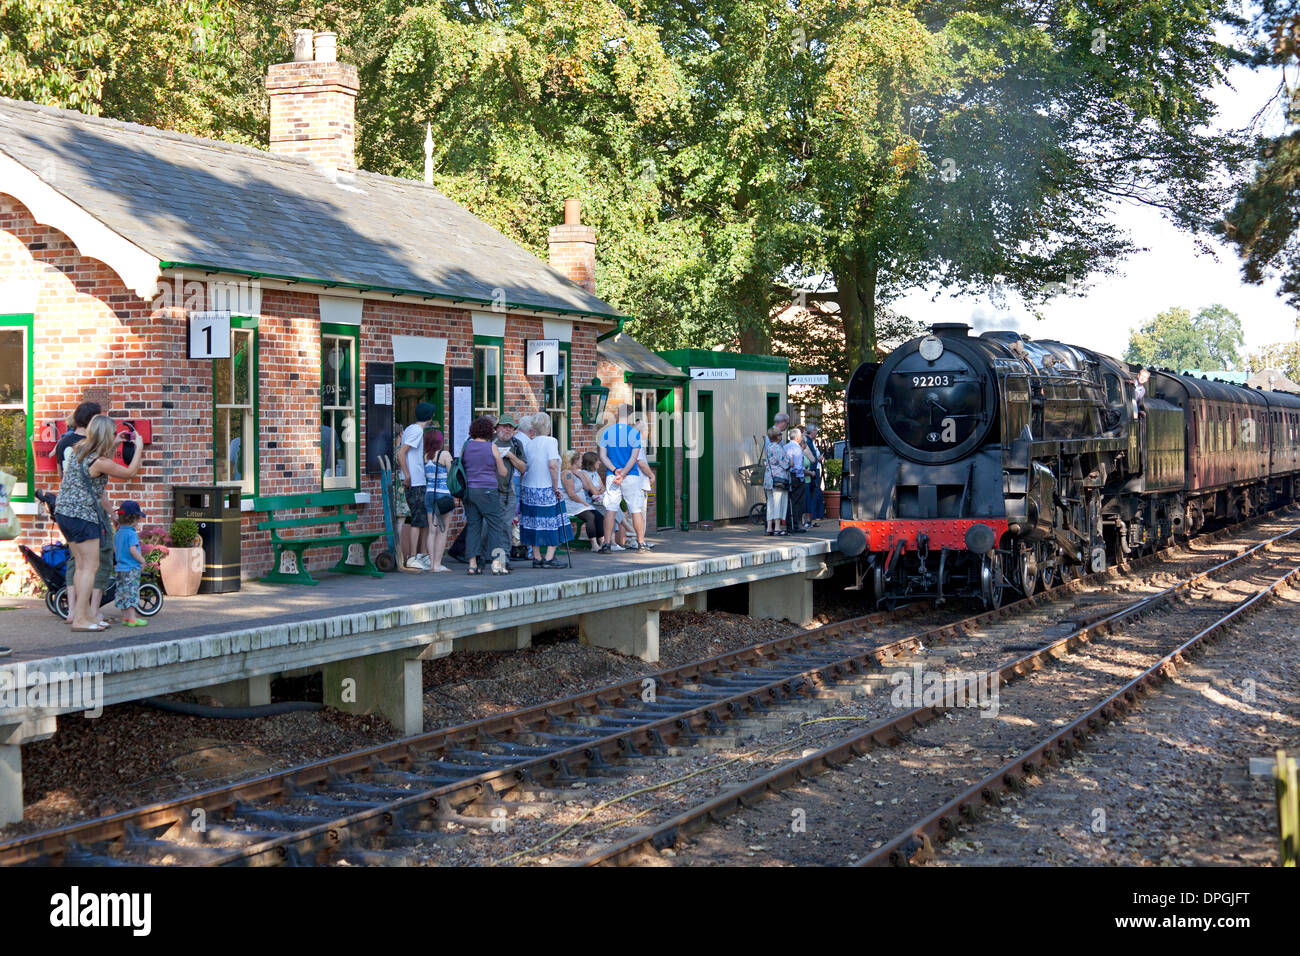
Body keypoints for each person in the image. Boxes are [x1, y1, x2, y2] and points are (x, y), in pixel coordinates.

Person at [55, 415, 143, 630]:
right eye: (112, 434)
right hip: (82, 516)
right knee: (90, 567)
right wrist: (138, 447)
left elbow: (99, 455)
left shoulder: (79, 448)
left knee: (81, 566)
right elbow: (130, 472)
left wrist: (115, 443)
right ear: (106, 435)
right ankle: (81, 620)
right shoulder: (100, 462)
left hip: (64, 513)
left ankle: (83, 615)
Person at [54, 402, 111, 625]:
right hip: (85, 510)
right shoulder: (90, 448)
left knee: (76, 563)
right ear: (94, 421)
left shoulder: (64, 443)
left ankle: (74, 612)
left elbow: (61, 474)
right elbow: (99, 487)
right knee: (94, 563)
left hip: (65, 508)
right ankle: (87, 613)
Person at [461, 415, 515, 574]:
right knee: (496, 526)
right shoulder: (492, 447)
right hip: (488, 491)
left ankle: (472, 564)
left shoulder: (466, 446)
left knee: (473, 526)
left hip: (470, 491)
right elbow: (503, 472)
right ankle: (496, 563)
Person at [519, 412, 572, 567]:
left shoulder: (529, 444)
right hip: (546, 487)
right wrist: (556, 486)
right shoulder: (551, 441)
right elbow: (553, 465)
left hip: (529, 488)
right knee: (554, 522)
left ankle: (536, 557)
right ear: (548, 427)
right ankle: (549, 557)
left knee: (533, 523)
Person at [598, 404, 652, 552]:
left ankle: (607, 543)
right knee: (635, 509)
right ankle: (641, 543)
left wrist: (616, 470)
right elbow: (634, 457)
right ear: (629, 416)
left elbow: (603, 456)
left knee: (610, 509)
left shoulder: (606, 432)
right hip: (631, 476)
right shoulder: (633, 433)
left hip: (612, 476)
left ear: (616, 415)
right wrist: (624, 473)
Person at [397, 402, 436, 571]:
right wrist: (407, 475)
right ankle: (413, 556)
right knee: (418, 520)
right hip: (415, 481)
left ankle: (421, 555)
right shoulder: (417, 431)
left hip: (418, 480)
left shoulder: (411, 429)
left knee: (423, 520)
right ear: (430, 416)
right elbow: (401, 453)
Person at [494, 414, 527, 558]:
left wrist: (510, 456)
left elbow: (523, 468)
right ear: (497, 428)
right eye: (504, 426)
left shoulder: (516, 444)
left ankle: (504, 558)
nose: (507, 430)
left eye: (510, 427)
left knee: (506, 526)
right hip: (490, 491)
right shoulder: (490, 443)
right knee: (489, 526)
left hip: (509, 492)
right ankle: (487, 556)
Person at [423, 428, 455, 572]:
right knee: (442, 531)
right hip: (443, 495)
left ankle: (431, 564)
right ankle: (437, 564)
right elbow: (452, 475)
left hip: (429, 494)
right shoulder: (444, 454)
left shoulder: (426, 457)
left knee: (432, 531)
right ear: (440, 441)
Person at [113, 500, 148, 627]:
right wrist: (142, 560)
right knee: (132, 592)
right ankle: (132, 618)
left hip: (120, 568)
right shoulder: (131, 533)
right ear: (135, 518)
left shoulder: (118, 532)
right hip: (131, 568)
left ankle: (125, 618)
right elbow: (133, 550)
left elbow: (115, 549)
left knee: (122, 592)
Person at [581, 451, 626, 549]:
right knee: (610, 511)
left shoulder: (595, 474)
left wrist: (598, 490)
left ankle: (613, 541)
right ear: (592, 463)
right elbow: (593, 492)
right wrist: (598, 490)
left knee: (612, 508)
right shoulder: (584, 474)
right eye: (597, 461)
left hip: (599, 501)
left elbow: (603, 488)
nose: (600, 463)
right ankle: (625, 530)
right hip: (590, 503)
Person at [560, 450, 603, 545]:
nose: (582, 462)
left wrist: (581, 475)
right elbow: (571, 494)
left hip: (580, 504)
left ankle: (603, 542)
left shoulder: (578, 473)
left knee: (599, 516)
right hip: (571, 504)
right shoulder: (567, 473)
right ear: (575, 460)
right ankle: (594, 545)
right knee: (590, 517)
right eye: (580, 459)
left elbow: (587, 487)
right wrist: (584, 503)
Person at [763, 426, 791, 536]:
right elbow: (786, 464)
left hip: (768, 478)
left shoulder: (768, 447)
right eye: (780, 434)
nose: (782, 436)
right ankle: (778, 528)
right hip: (779, 478)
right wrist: (790, 462)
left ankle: (769, 527)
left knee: (770, 503)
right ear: (777, 437)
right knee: (779, 502)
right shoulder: (778, 448)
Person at [785, 425, 808, 533]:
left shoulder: (785, 447)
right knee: (798, 502)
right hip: (796, 477)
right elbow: (798, 467)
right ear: (798, 438)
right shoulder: (797, 448)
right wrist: (802, 476)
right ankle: (797, 525)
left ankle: (790, 525)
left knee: (789, 502)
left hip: (787, 477)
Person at [805, 423, 825, 524]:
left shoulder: (811, 442)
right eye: (816, 431)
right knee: (814, 493)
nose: (816, 433)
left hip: (814, 469)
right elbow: (810, 456)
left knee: (816, 492)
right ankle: (814, 515)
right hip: (812, 470)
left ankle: (816, 515)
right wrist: (817, 460)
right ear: (811, 431)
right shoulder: (807, 441)